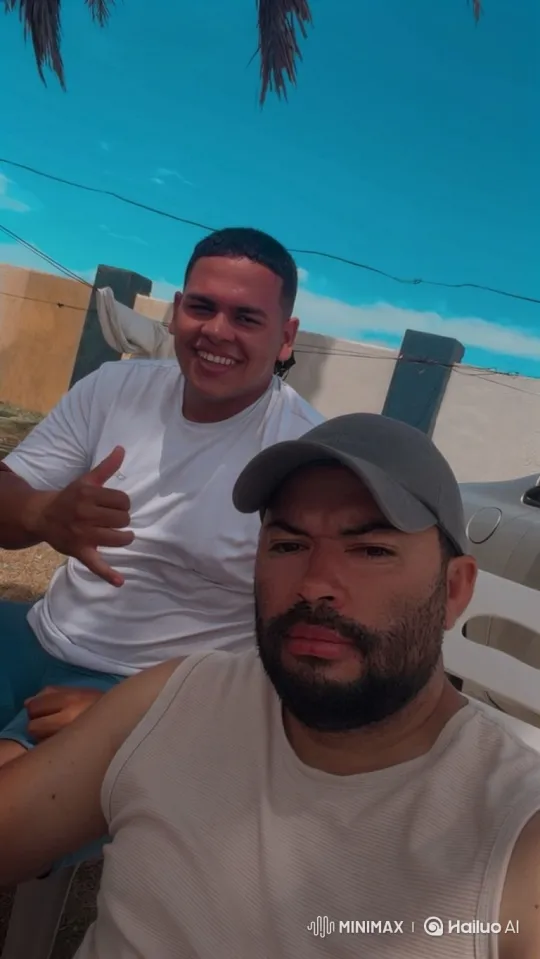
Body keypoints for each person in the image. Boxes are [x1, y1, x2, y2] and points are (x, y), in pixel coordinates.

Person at [1, 412, 539, 959]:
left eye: (372, 549)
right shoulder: (180, 698)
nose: (315, 585)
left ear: (454, 590)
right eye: (287, 545)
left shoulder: (512, 836)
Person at [0, 227, 324, 769]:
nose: (217, 332)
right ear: (177, 311)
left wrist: (143, 713)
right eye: (202, 307)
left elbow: (305, 649)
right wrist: (42, 513)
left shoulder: (304, 459)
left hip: (137, 692)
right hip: (34, 631)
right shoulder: (114, 389)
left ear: (286, 337)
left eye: (246, 318)